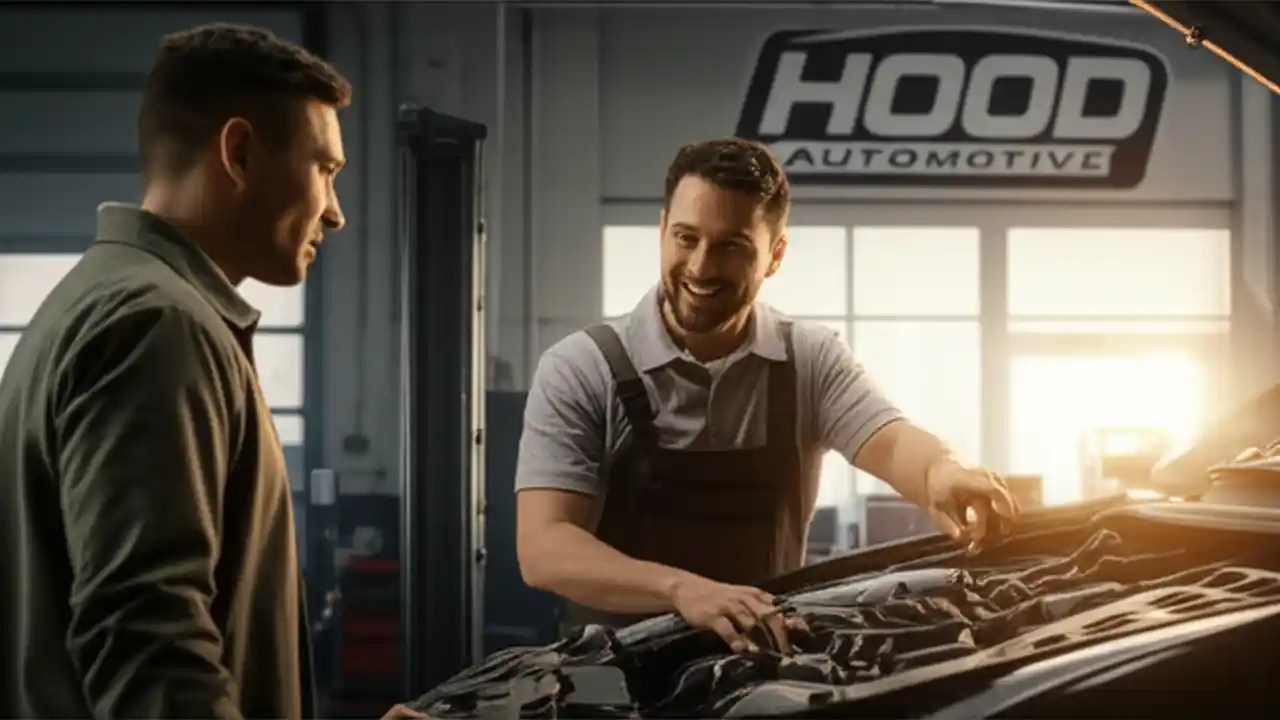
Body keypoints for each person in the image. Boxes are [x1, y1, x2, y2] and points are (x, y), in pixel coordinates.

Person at [0, 22, 420, 720]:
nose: (337, 214)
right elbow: (152, 661)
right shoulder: (157, 326)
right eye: (326, 170)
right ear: (241, 153)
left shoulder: (98, 300)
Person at [514, 138, 1019, 654]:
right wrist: (682, 590)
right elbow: (544, 546)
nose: (702, 267)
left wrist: (944, 471)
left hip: (762, 672)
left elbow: (891, 443)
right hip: (606, 683)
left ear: (775, 256)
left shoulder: (809, 360)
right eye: (686, 238)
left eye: (731, 245)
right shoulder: (581, 368)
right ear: (663, 230)